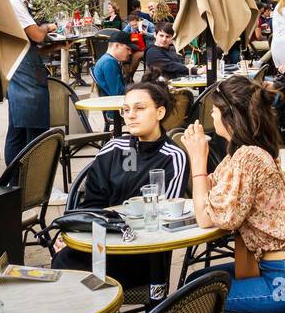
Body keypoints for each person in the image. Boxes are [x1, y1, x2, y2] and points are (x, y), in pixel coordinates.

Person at [179, 75, 285, 313]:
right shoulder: (243, 153)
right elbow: (212, 191)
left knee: (194, 299)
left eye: (214, 110)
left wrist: (198, 160)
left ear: (229, 114)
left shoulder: (249, 157)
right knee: (197, 280)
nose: (211, 116)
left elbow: (205, 217)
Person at [51, 80, 188, 288]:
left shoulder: (172, 157)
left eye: (140, 108)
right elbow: (92, 203)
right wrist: (74, 235)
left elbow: (164, 218)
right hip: (100, 245)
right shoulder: (116, 149)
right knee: (66, 261)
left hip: (142, 255)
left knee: (73, 272)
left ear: (160, 113)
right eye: (126, 109)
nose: (130, 115)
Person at [5, 0, 61, 161]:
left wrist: (57, 46)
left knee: (17, 134)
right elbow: (37, 36)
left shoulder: (18, 4)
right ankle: (33, 188)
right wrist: (47, 26)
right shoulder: (14, 3)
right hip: (25, 79)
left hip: (22, 74)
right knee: (35, 139)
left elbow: (29, 45)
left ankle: (14, 186)